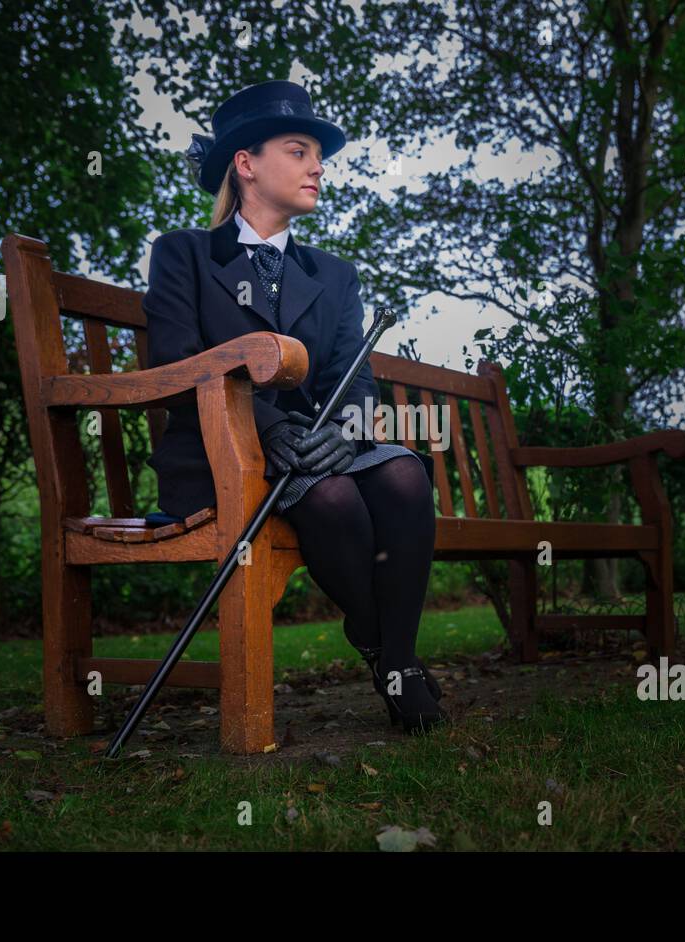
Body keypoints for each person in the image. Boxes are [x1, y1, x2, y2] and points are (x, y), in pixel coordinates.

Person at [142, 80, 448, 733]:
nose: (318, 165)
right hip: (219, 456)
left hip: (319, 449)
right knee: (332, 497)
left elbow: (353, 376)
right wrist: (269, 427)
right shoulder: (183, 255)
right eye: (298, 149)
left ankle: (395, 658)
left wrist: (342, 431)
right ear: (246, 163)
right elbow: (176, 363)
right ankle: (376, 633)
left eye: (319, 154)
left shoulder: (336, 275)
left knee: (402, 473)